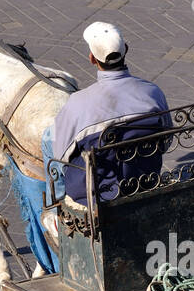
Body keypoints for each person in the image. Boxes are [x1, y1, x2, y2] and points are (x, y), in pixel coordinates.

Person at [21, 23, 168, 272]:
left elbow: (61, 155)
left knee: (49, 139)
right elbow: (167, 140)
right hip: (145, 180)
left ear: (92, 59)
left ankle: (56, 212)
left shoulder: (78, 104)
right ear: (127, 50)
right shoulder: (152, 92)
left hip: (96, 194)